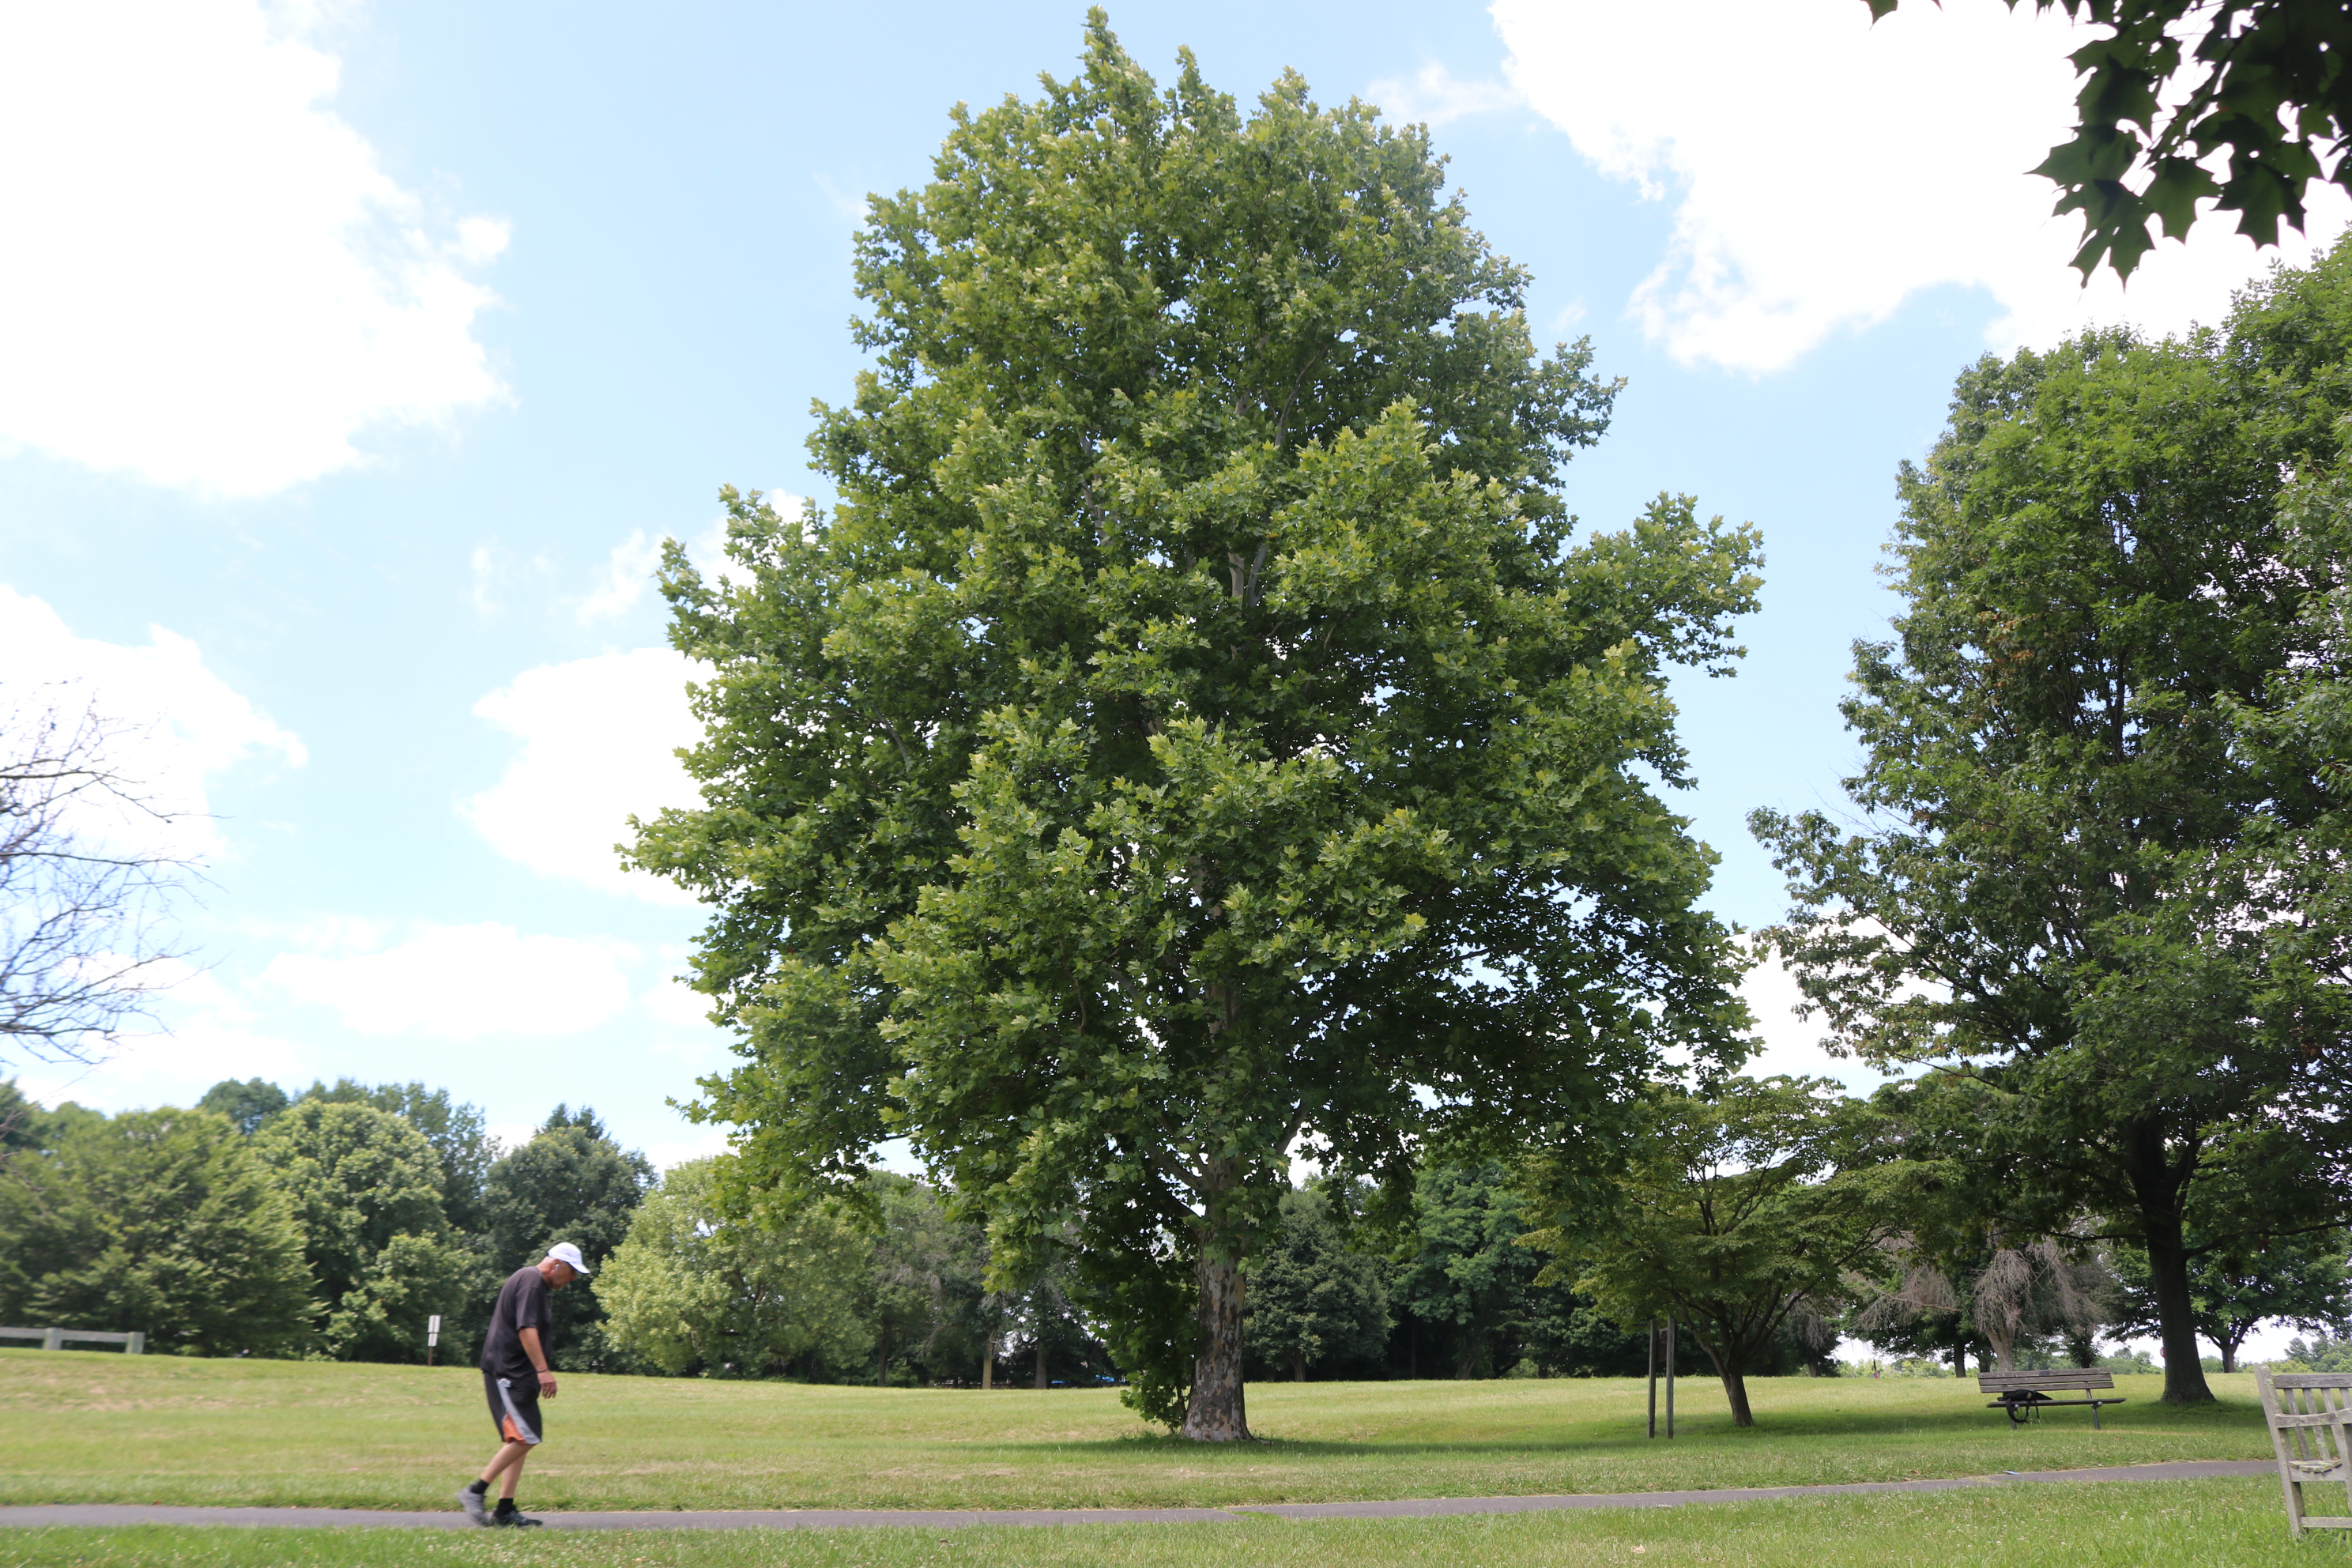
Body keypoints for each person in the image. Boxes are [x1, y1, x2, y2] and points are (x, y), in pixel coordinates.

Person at [458, 1242, 590, 1527]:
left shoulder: (535, 1286)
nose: (573, 1280)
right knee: (527, 1436)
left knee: (520, 1440)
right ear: (557, 1265)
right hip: (509, 1371)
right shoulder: (531, 1281)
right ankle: (475, 1491)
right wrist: (544, 1371)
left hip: (519, 1373)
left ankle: (505, 1511)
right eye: (572, 1273)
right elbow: (526, 1329)